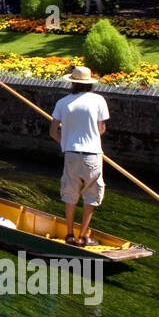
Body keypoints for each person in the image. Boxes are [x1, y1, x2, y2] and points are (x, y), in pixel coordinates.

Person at [49, 65, 109, 247]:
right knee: (91, 195)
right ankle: (83, 237)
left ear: (72, 83)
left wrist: (66, 141)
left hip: (71, 154)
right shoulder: (99, 100)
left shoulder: (63, 103)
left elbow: (53, 131)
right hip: (93, 155)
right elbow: (101, 130)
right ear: (89, 83)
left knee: (70, 194)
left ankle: (69, 235)